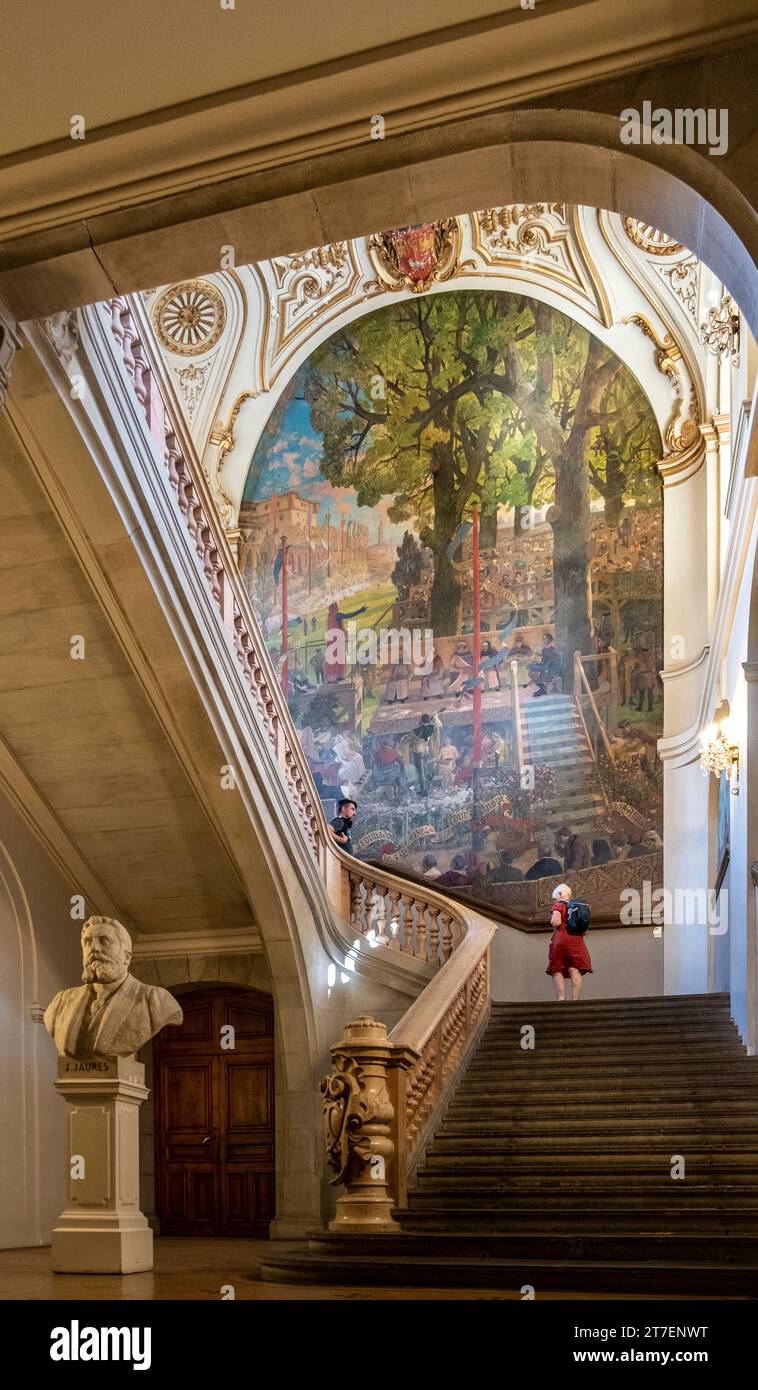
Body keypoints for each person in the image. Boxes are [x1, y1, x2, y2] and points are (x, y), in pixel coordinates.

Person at [44, 917, 183, 1058]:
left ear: (126, 957)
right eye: (87, 942)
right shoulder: (61, 1002)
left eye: (104, 941)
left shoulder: (156, 1000)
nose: (94, 948)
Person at [546, 883, 593, 1001]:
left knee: (556, 969)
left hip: (561, 940)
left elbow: (556, 922)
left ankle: (561, 998)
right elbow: (585, 931)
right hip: (577, 942)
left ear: (560, 894)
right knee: (574, 969)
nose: (554, 900)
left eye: (555, 897)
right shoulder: (578, 906)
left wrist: (553, 919)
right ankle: (575, 1000)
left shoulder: (558, 905)